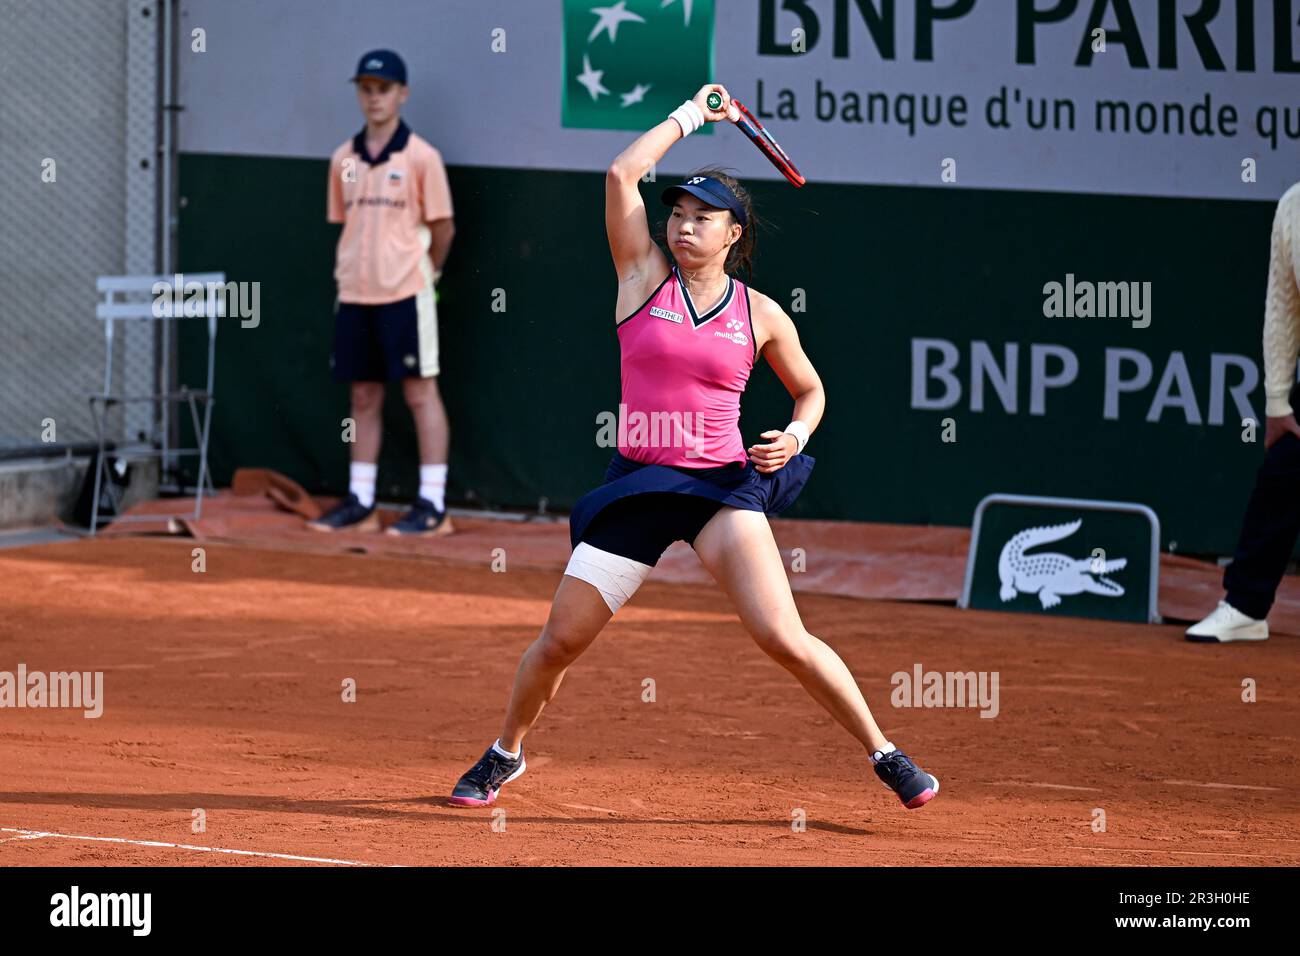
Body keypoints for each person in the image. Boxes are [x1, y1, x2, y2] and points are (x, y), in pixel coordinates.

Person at [448, 84, 939, 811]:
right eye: (676, 214)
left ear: (733, 234)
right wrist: (689, 116)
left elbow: (812, 391)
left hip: (722, 486)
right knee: (559, 641)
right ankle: (505, 752)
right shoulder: (641, 277)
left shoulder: (762, 314)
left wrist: (794, 437)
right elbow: (620, 176)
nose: (682, 227)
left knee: (783, 636)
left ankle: (887, 754)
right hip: (641, 484)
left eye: (701, 218)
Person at [308, 49, 457, 537]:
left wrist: (425, 276)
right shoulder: (342, 159)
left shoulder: (422, 157)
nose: (374, 98)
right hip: (353, 294)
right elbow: (343, 223)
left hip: (406, 294)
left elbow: (443, 228)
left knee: (419, 393)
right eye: (366, 89)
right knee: (364, 396)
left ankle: (433, 505)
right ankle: (361, 502)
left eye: (384, 89)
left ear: (402, 94)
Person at [1186, 181, 1300, 643]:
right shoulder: (1294, 206)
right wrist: (1278, 401)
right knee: (1283, 474)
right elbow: (1284, 308)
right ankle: (1246, 608)